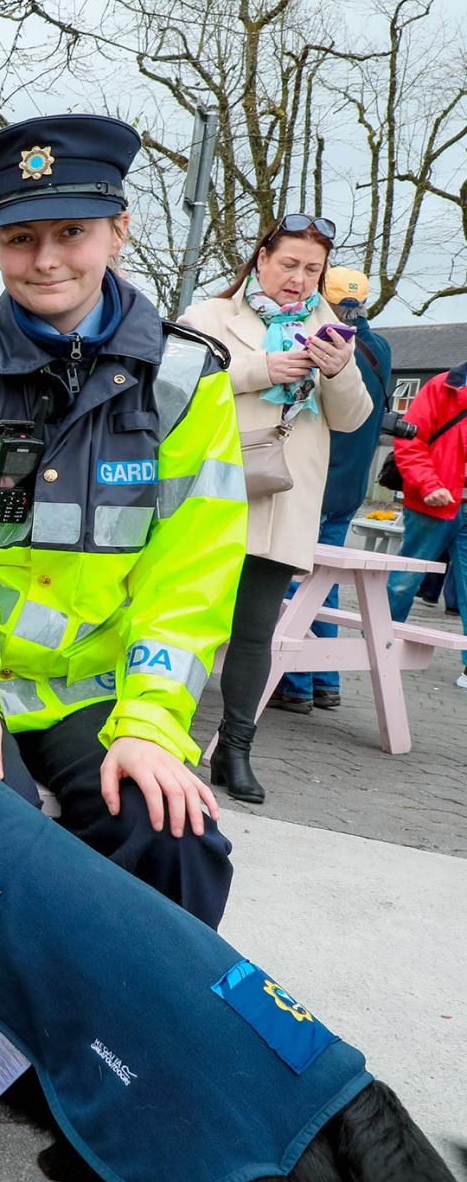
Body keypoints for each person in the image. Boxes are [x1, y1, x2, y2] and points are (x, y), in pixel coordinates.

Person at [0, 114, 244, 925]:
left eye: (72, 232)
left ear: (120, 229)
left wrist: (151, 725)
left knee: (175, 836)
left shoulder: (188, 379)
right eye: (20, 238)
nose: (46, 259)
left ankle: (143, 1008)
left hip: (102, 696)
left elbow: (190, 576)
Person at [180, 216, 371, 802]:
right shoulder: (210, 316)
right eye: (288, 264)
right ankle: (161, 739)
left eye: (312, 269)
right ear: (261, 258)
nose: (299, 279)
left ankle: (235, 749)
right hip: (213, 492)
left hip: (285, 499)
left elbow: (353, 419)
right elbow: (172, 386)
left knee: (254, 633)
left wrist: (339, 370)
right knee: (183, 621)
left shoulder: (330, 330)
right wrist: (260, 370)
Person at [274, 267, 394, 711]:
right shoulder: (380, 347)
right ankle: (325, 681)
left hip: (318, 478)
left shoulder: (325, 343)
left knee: (292, 579)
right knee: (321, 584)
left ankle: (295, 684)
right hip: (351, 483)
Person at [384, 359, 467, 686]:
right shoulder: (443, 387)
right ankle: (381, 643)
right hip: (434, 501)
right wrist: (429, 485)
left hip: (449, 500)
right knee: (405, 579)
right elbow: (410, 439)